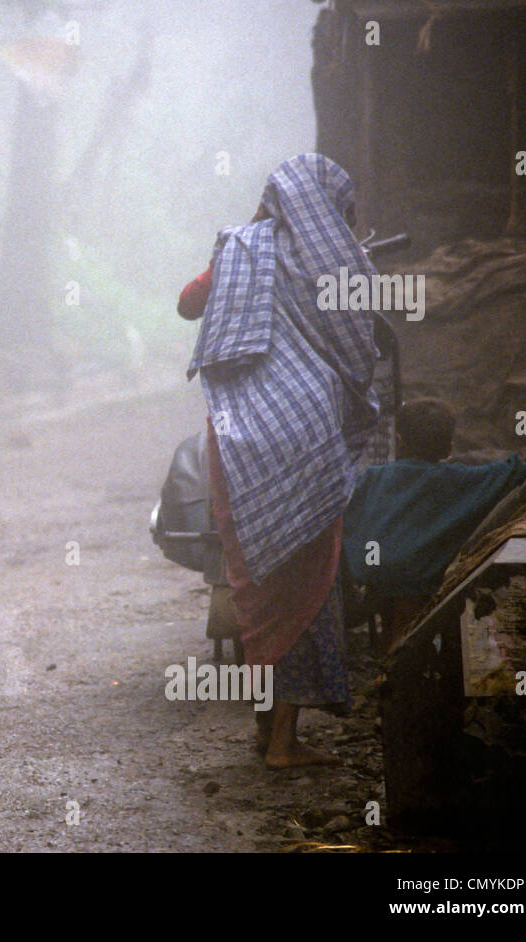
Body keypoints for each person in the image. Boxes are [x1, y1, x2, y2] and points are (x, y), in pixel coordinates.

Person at [182, 153, 378, 769]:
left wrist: (228, 270)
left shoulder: (240, 250)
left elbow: (189, 305)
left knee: (256, 580)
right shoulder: (339, 265)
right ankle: (284, 741)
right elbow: (360, 347)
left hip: (237, 438)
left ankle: (266, 731)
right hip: (308, 437)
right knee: (305, 583)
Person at [342, 398, 526, 640]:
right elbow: (502, 475)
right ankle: (400, 663)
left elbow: (350, 519)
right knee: (408, 628)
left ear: (399, 441)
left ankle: (388, 654)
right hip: (419, 580)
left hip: (377, 573)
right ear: (447, 448)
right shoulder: (454, 479)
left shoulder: (374, 476)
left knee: (392, 620)